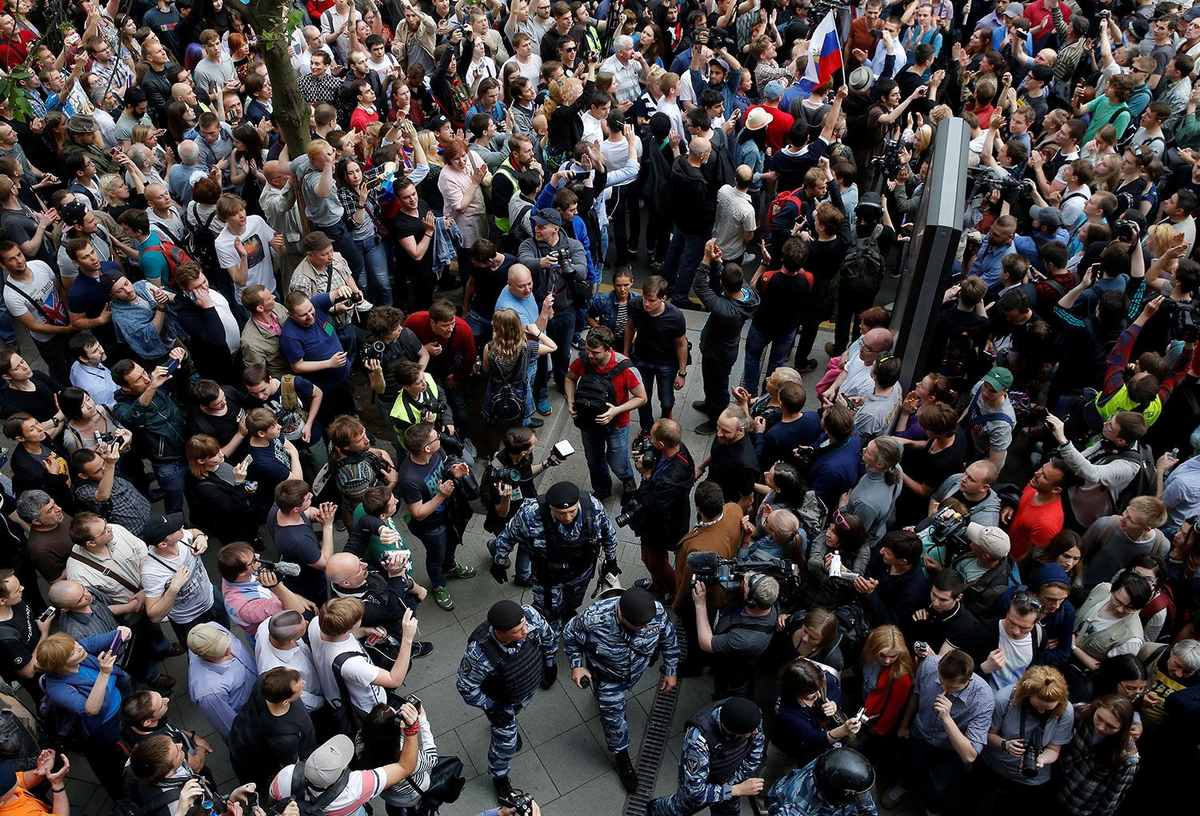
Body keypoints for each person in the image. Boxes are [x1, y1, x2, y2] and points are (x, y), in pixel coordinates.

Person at [563, 588, 679, 791]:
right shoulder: (593, 618)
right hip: (608, 677)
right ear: (621, 615)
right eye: (640, 625)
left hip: (636, 669)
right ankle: (621, 756)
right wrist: (576, 665)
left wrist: (671, 669)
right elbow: (570, 634)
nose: (646, 626)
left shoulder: (655, 612)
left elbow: (668, 637)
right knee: (613, 718)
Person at [489, 481, 620, 644]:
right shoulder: (531, 512)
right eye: (561, 513)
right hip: (547, 578)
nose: (567, 517)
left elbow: (608, 534)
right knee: (548, 612)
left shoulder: (593, 508)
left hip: (581, 573)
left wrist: (611, 560)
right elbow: (508, 535)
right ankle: (549, 638)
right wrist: (499, 561)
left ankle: (567, 611)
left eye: (572, 511)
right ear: (551, 507)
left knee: (573, 602)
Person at [457, 600, 557, 802]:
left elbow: (548, 636)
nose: (526, 631)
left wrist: (550, 662)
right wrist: (491, 708)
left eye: (524, 626)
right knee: (505, 745)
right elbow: (466, 687)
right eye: (518, 630)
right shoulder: (479, 653)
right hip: (501, 704)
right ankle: (499, 777)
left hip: (524, 691)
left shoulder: (528, 615)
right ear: (500, 634)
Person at [885, 650, 994, 814]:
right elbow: (916, 696)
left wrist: (947, 719)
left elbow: (970, 755)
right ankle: (904, 786)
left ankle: (932, 810)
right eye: (941, 682)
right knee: (911, 765)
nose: (943, 688)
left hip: (950, 749)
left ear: (969, 680)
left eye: (951, 687)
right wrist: (904, 725)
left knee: (940, 785)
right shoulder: (929, 665)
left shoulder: (983, 699)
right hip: (920, 732)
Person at [397, 423, 477, 612]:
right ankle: (439, 584)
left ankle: (449, 565)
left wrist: (453, 472)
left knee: (452, 542)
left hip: (449, 514)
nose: (440, 439)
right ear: (426, 448)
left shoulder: (437, 453)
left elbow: (443, 471)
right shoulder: (408, 478)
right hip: (431, 526)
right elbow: (417, 513)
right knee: (435, 556)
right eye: (436, 438)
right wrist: (441, 495)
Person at [564, 326, 648, 502]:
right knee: (593, 458)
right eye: (587, 350)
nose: (590, 356)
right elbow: (570, 378)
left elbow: (642, 398)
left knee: (617, 459)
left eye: (595, 352)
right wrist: (571, 401)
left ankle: (627, 480)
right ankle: (602, 489)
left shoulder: (625, 368)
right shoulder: (583, 361)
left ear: (609, 349)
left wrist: (615, 410)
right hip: (587, 421)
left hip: (617, 423)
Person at [646, 696, 765, 816]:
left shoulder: (750, 718)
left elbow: (754, 756)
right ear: (732, 730)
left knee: (729, 812)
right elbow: (694, 791)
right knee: (678, 809)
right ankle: (655, 810)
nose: (756, 731)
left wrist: (730, 784)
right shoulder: (698, 738)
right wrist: (737, 789)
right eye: (751, 731)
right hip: (701, 782)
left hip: (731, 778)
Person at [269, 725, 421, 814]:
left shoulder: (286, 775)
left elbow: (273, 801)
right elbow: (404, 767)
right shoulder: (355, 788)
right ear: (342, 773)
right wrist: (412, 729)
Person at [977, 665, 1074, 802]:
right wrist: (1005, 744)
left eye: (1048, 709)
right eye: (1037, 706)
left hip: (1031, 779)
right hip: (993, 766)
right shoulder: (1005, 699)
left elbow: (1053, 749)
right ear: (1026, 695)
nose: (1041, 712)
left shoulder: (1065, 712)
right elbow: (987, 734)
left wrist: (1040, 760)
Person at [629, 418, 695, 595]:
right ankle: (658, 582)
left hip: (661, 527)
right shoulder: (680, 450)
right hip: (671, 517)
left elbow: (650, 504)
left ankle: (673, 592)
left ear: (661, 443)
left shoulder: (670, 480)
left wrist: (646, 475)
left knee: (653, 561)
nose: (649, 440)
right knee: (655, 559)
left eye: (651, 438)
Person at [226, 667, 317, 794]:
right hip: (257, 755)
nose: (303, 683)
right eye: (299, 688)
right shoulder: (285, 739)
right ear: (285, 702)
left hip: (244, 736)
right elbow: (290, 767)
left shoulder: (264, 682)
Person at [691, 574, 780, 699]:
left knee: (724, 689)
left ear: (751, 602)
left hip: (731, 672)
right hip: (727, 637)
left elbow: (706, 643)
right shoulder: (766, 601)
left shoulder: (747, 639)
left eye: (745, 588)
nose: (741, 587)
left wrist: (700, 604)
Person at [1054, 694, 1139, 816]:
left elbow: (1112, 798)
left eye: (1110, 726)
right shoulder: (1079, 713)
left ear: (1123, 728)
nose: (1101, 727)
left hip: (1077, 807)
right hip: (1053, 786)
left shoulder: (1127, 758)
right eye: (1099, 718)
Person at [185, 622, 257, 740]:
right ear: (202, 656)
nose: (228, 649)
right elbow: (231, 728)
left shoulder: (212, 627)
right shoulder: (209, 693)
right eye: (220, 651)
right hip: (250, 717)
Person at [765, 747, 876, 816]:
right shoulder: (795, 812)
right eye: (860, 795)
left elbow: (867, 807)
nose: (862, 797)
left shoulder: (828, 763)